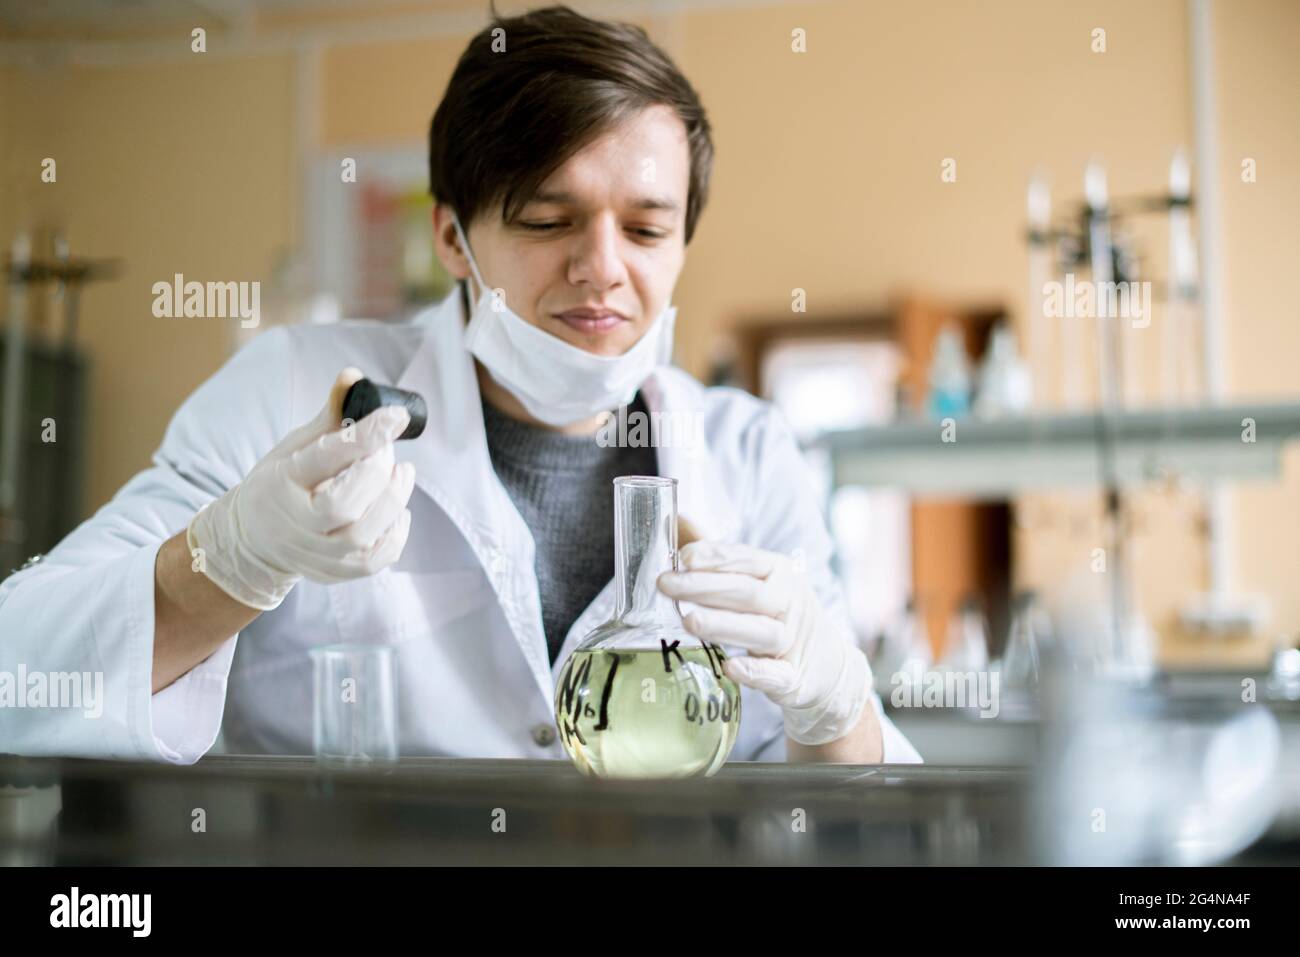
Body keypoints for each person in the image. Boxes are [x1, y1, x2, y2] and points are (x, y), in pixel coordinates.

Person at [0, 5, 920, 766]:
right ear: (451, 238)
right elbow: (16, 676)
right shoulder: (288, 390)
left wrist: (833, 699)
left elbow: (859, 830)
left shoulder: (750, 455)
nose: (602, 269)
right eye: (549, 219)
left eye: (645, 232)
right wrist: (230, 562)